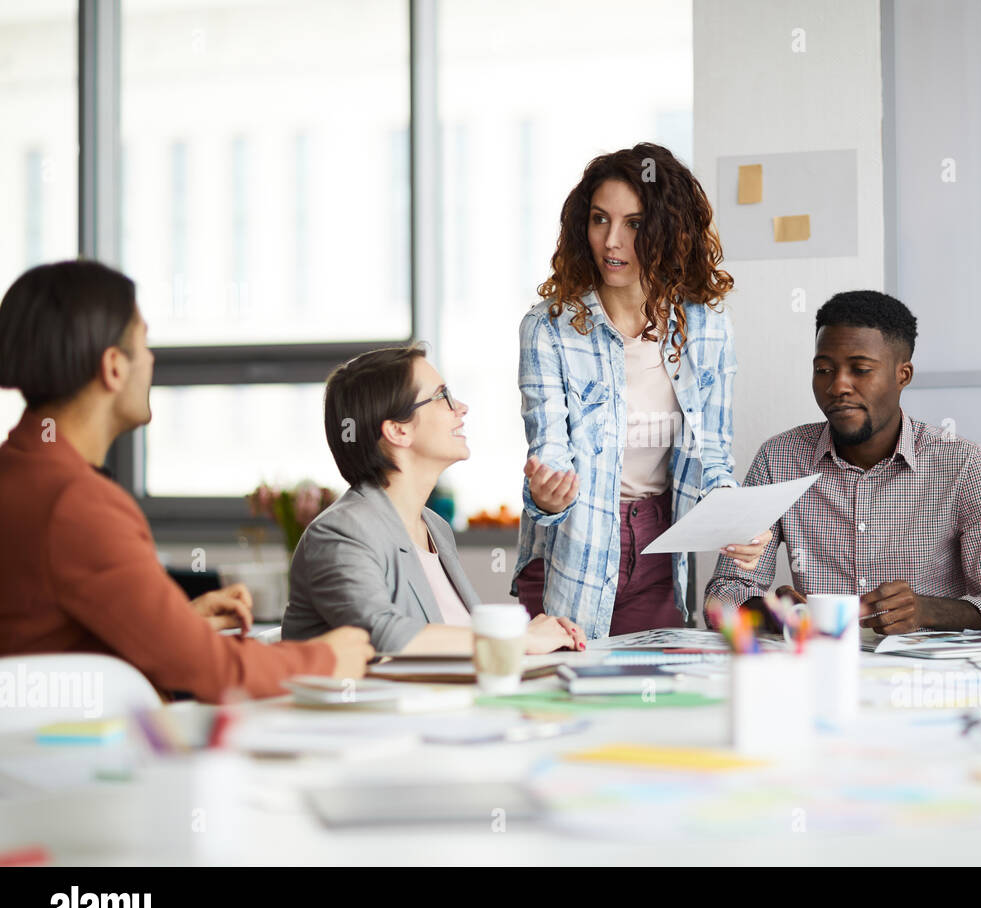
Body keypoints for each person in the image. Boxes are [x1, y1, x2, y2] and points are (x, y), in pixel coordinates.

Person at [0, 260, 371, 701]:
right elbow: (214, 674)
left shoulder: (22, 472)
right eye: (145, 342)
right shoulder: (77, 503)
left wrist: (177, 626)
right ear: (114, 367)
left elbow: (44, 640)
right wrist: (326, 660)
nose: (153, 360)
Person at [513, 142, 770, 639]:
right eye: (599, 219)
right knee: (562, 702)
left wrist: (734, 519)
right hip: (572, 548)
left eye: (633, 224)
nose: (612, 241)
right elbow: (548, 455)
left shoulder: (707, 325)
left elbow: (712, 455)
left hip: (658, 546)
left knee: (650, 704)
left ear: (666, 232)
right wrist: (546, 496)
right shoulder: (548, 329)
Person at [705, 290, 981, 634]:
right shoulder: (780, 458)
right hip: (821, 667)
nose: (837, 386)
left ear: (903, 375)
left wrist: (929, 611)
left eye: (860, 369)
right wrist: (779, 616)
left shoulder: (963, 464)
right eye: (823, 369)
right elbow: (724, 594)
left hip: (924, 677)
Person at [283, 345, 583, 654]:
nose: (462, 407)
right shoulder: (339, 534)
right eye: (443, 397)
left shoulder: (434, 527)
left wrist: (521, 632)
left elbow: (457, 636)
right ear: (398, 431)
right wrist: (519, 641)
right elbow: (381, 636)